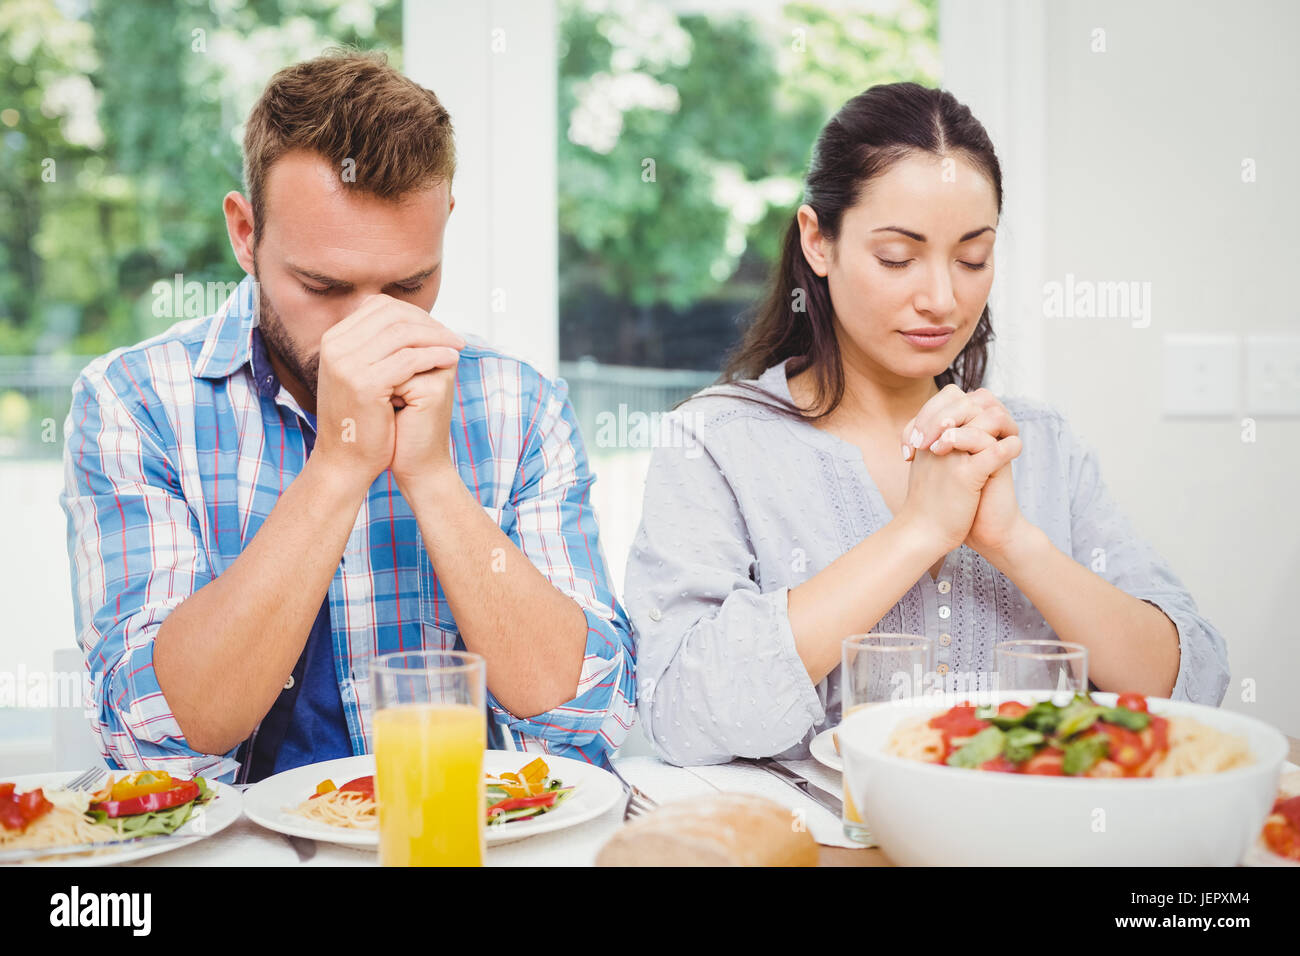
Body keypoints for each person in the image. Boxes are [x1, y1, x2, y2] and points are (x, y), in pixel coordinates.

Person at [60, 51, 635, 783]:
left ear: (445, 226)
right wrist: (339, 464)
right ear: (245, 233)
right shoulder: (133, 403)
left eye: (408, 282)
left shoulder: (519, 404)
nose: (369, 327)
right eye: (323, 285)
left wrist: (431, 477)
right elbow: (157, 742)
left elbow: (586, 715)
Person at [624, 82, 1229, 766]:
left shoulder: (1042, 443)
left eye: (973, 258)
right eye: (897, 257)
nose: (942, 298)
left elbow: (1192, 687)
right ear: (817, 242)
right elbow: (681, 716)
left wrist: (1013, 541)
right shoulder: (715, 445)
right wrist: (918, 532)